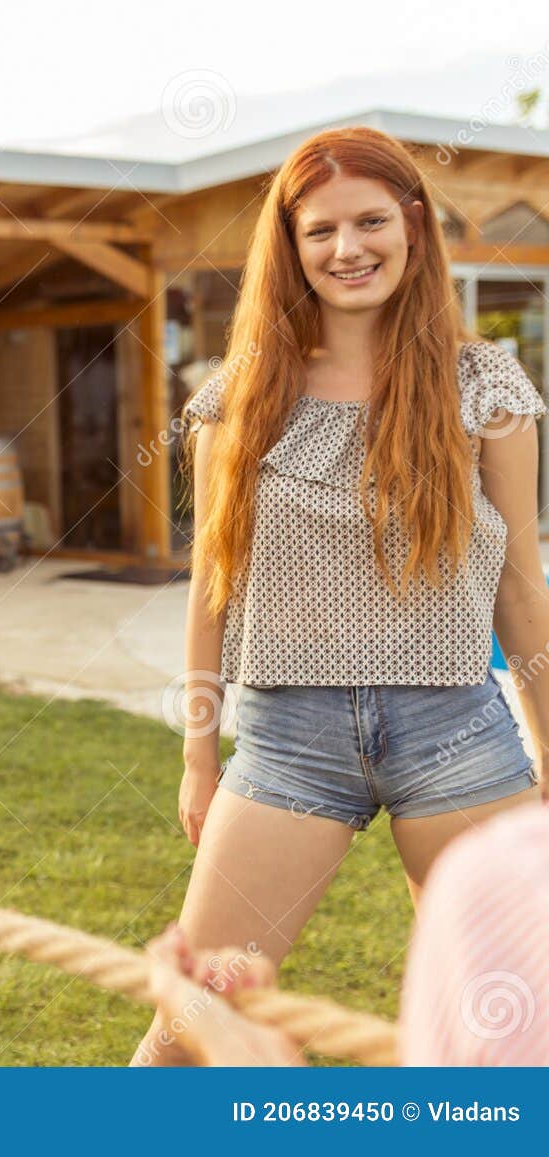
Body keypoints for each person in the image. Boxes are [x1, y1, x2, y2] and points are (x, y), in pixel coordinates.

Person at [135, 125, 548, 1065]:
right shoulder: (239, 394)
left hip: (457, 733)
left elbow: (521, 589)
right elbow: (212, 587)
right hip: (289, 739)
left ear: (413, 225)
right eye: (320, 230)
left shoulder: (483, 385)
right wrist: (200, 757)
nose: (347, 248)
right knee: (189, 1025)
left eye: (370, 221)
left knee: (508, 1031)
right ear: (290, 244)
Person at [145, 802, 549, 1066]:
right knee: (170, 1045)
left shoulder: (500, 873)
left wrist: (245, 1058)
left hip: (456, 728)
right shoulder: (505, 870)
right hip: (286, 732)